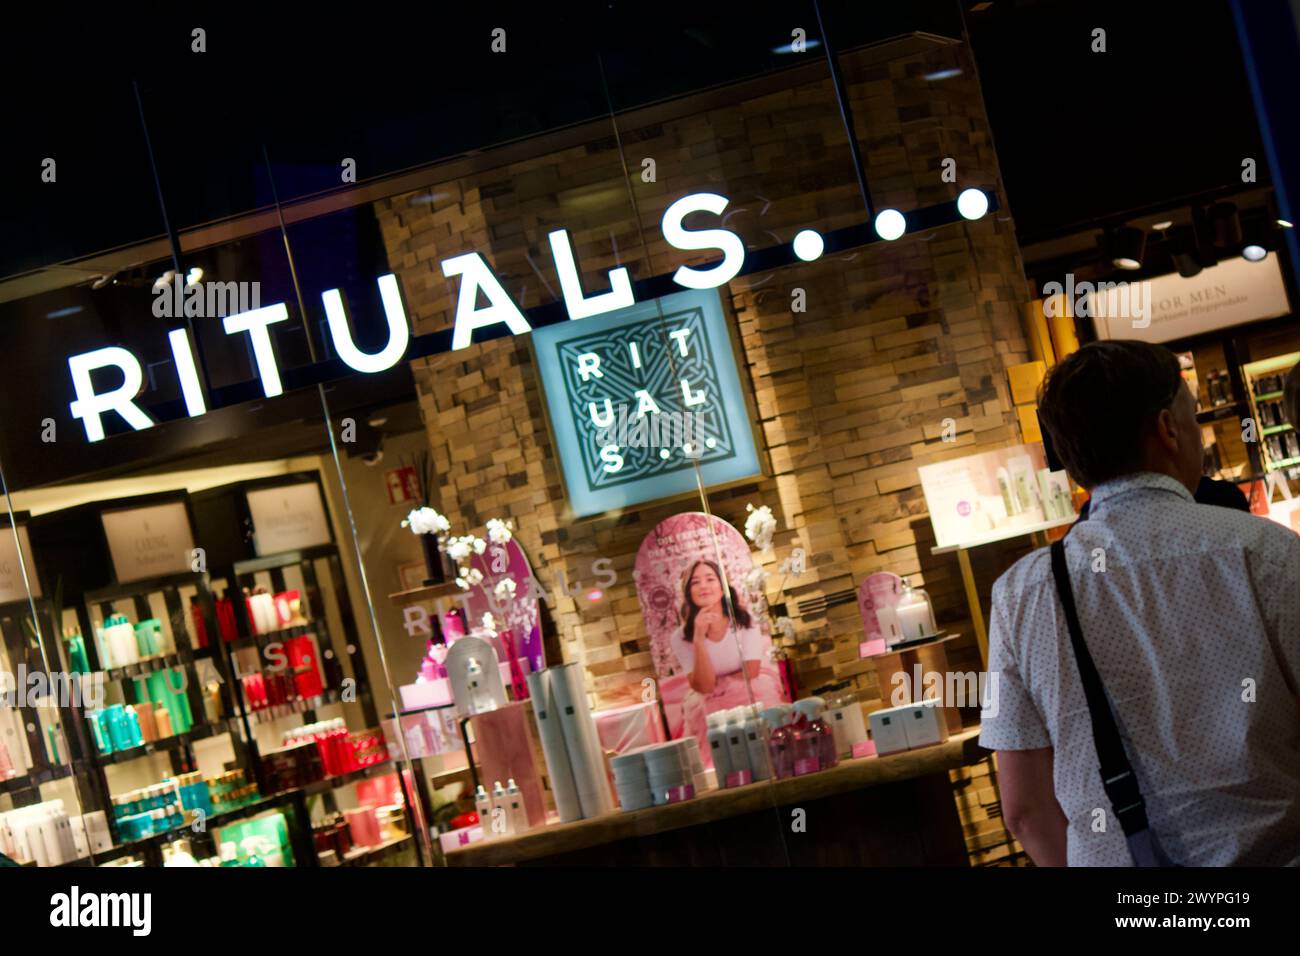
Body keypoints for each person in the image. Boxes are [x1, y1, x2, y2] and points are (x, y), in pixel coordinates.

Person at [981, 340, 1300, 866]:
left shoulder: (1021, 594)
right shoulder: (1262, 549)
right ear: (1168, 429)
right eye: (1192, 417)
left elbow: (1024, 809)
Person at [671, 560, 783, 745]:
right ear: (688, 592)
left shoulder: (745, 620)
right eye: (695, 582)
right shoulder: (680, 637)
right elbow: (705, 687)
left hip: (750, 690)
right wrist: (698, 638)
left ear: (722, 587)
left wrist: (721, 685)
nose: (704, 586)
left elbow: (751, 671)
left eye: (710, 579)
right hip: (709, 701)